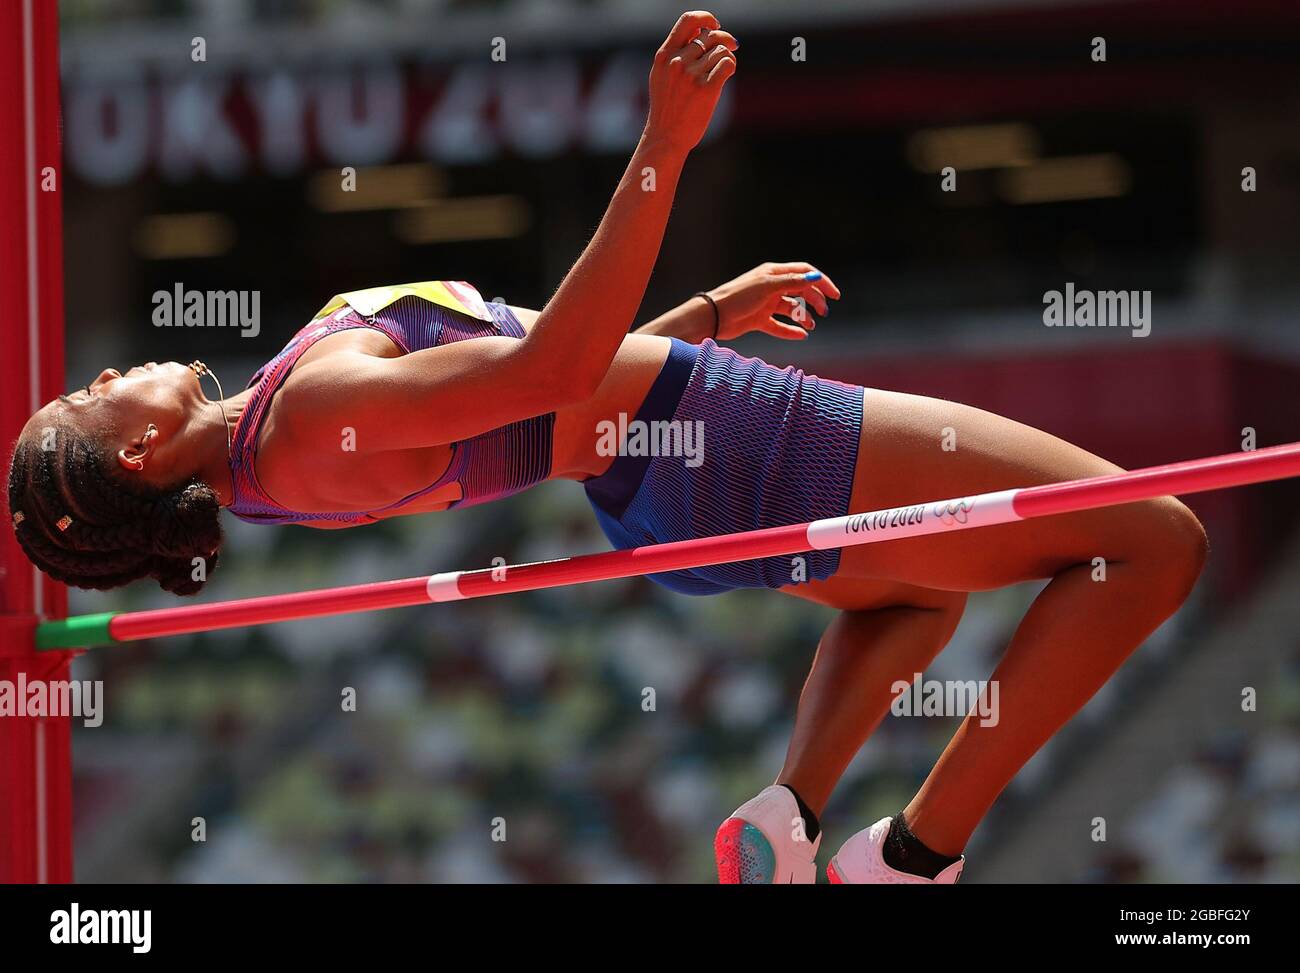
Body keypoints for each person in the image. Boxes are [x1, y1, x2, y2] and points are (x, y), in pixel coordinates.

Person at [6, 10, 1207, 884]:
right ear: (137, 456)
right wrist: (665, 145)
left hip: (665, 468)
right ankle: (915, 858)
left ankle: (792, 813)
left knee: (912, 603)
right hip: (726, 444)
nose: (108, 374)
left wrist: (704, 317)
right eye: (93, 397)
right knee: (1152, 539)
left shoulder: (280, 429)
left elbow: (544, 412)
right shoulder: (307, 424)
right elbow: (549, 375)